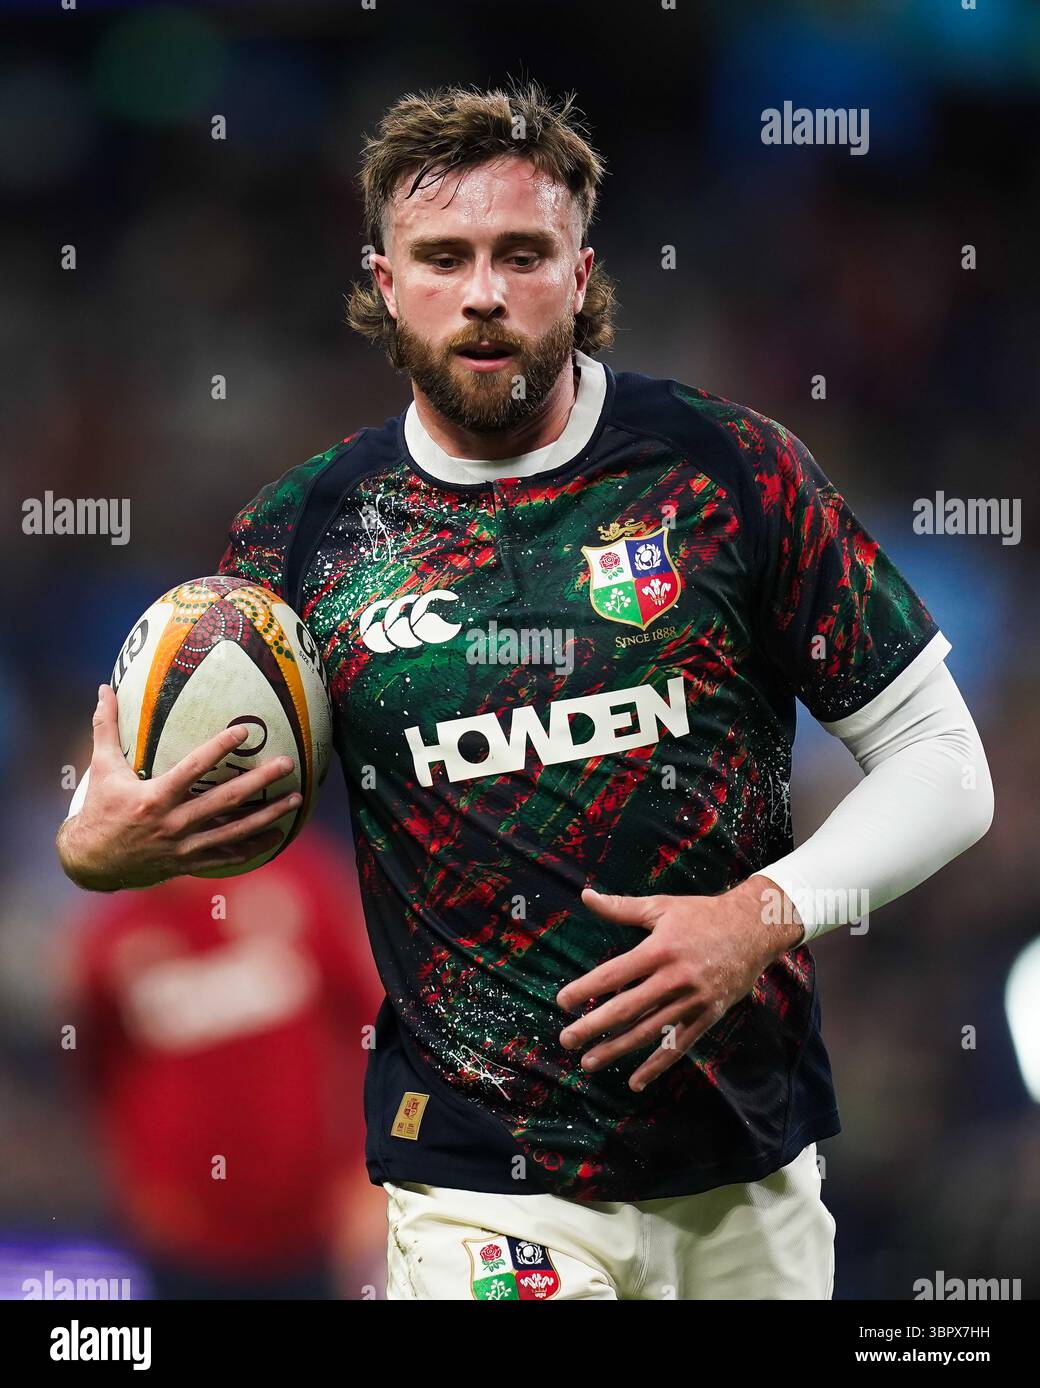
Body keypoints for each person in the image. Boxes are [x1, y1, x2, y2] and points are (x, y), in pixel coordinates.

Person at [56, 80, 994, 1300]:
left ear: (581, 270)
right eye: (442, 257)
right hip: (475, 1188)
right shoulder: (300, 540)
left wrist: (758, 914)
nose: (483, 292)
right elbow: (199, 814)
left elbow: (943, 764)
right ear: (386, 285)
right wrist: (100, 844)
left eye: (520, 253)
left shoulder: (728, 470)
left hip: (746, 1168)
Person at [58, 829, 385, 1299]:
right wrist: (136, 1180)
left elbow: (369, 1022)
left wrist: (367, 1169)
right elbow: (93, 1072)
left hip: (313, 1227)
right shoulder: (112, 934)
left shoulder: (298, 882)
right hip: (186, 1239)